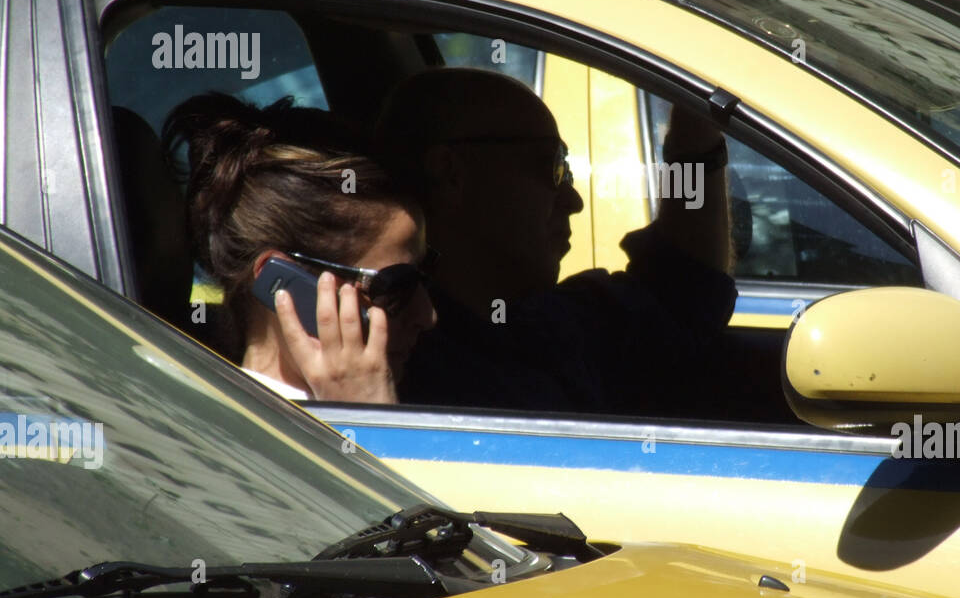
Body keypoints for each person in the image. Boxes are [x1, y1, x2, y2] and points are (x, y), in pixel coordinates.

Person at [374, 67, 736, 414]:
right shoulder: (402, 364)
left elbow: (688, 289)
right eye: (553, 166)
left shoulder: (552, 323)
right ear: (451, 174)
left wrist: (692, 141)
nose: (574, 201)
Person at [165, 93, 435, 402]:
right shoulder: (227, 438)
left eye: (424, 276)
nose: (428, 316)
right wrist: (365, 420)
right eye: (396, 288)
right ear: (284, 286)